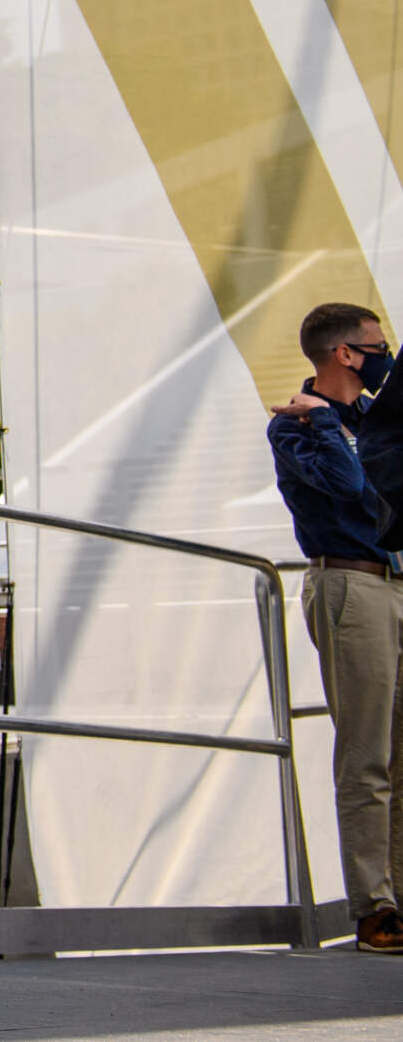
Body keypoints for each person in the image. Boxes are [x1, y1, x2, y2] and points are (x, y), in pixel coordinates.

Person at [267, 302, 403, 953]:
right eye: (378, 346)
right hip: (350, 582)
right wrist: (324, 421)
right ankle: (375, 907)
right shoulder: (295, 426)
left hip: (395, 581)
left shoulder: (378, 419)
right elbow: (350, 486)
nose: (386, 357)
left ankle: (399, 895)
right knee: (366, 754)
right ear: (344, 352)